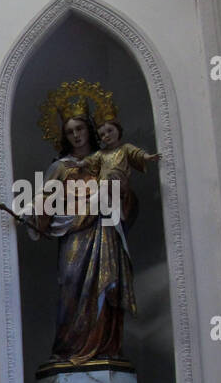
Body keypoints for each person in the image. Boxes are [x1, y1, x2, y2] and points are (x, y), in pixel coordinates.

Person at [33, 114, 134, 366]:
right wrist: (36, 214)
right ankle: (68, 348)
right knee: (71, 282)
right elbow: (44, 200)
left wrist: (120, 192)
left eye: (80, 129)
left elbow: (127, 200)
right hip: (74, 234)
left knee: (105, 284)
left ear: (90, 130)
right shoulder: (61, 167)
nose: (76, 135)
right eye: (70, 132)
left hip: (105, 230)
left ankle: (105, 348)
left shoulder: (106, 162)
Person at [92, 119, 161, 235]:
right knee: (102, 187)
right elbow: (91, 163)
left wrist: (147, 157)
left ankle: (118, 210)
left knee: (111, 175)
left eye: (110, 131)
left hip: (120, 182)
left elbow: (136, 153)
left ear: (118, 130)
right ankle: (112, 209)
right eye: (102, 135)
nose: (107, 135)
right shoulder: (101, 153)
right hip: (104, 185)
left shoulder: (125, 148)